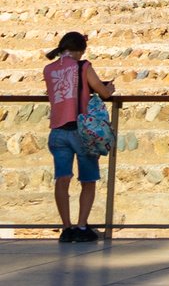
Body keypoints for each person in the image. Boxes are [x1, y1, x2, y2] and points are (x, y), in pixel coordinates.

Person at [44, 32, 113, 244]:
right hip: (81, 131)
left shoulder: (49, 69)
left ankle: (66, 228)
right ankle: (82, 226)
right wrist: (108, 88)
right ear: (80, 50)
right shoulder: (83, 67)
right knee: (88, 180)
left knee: (62, 179)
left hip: (57, 130)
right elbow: (103, 92)